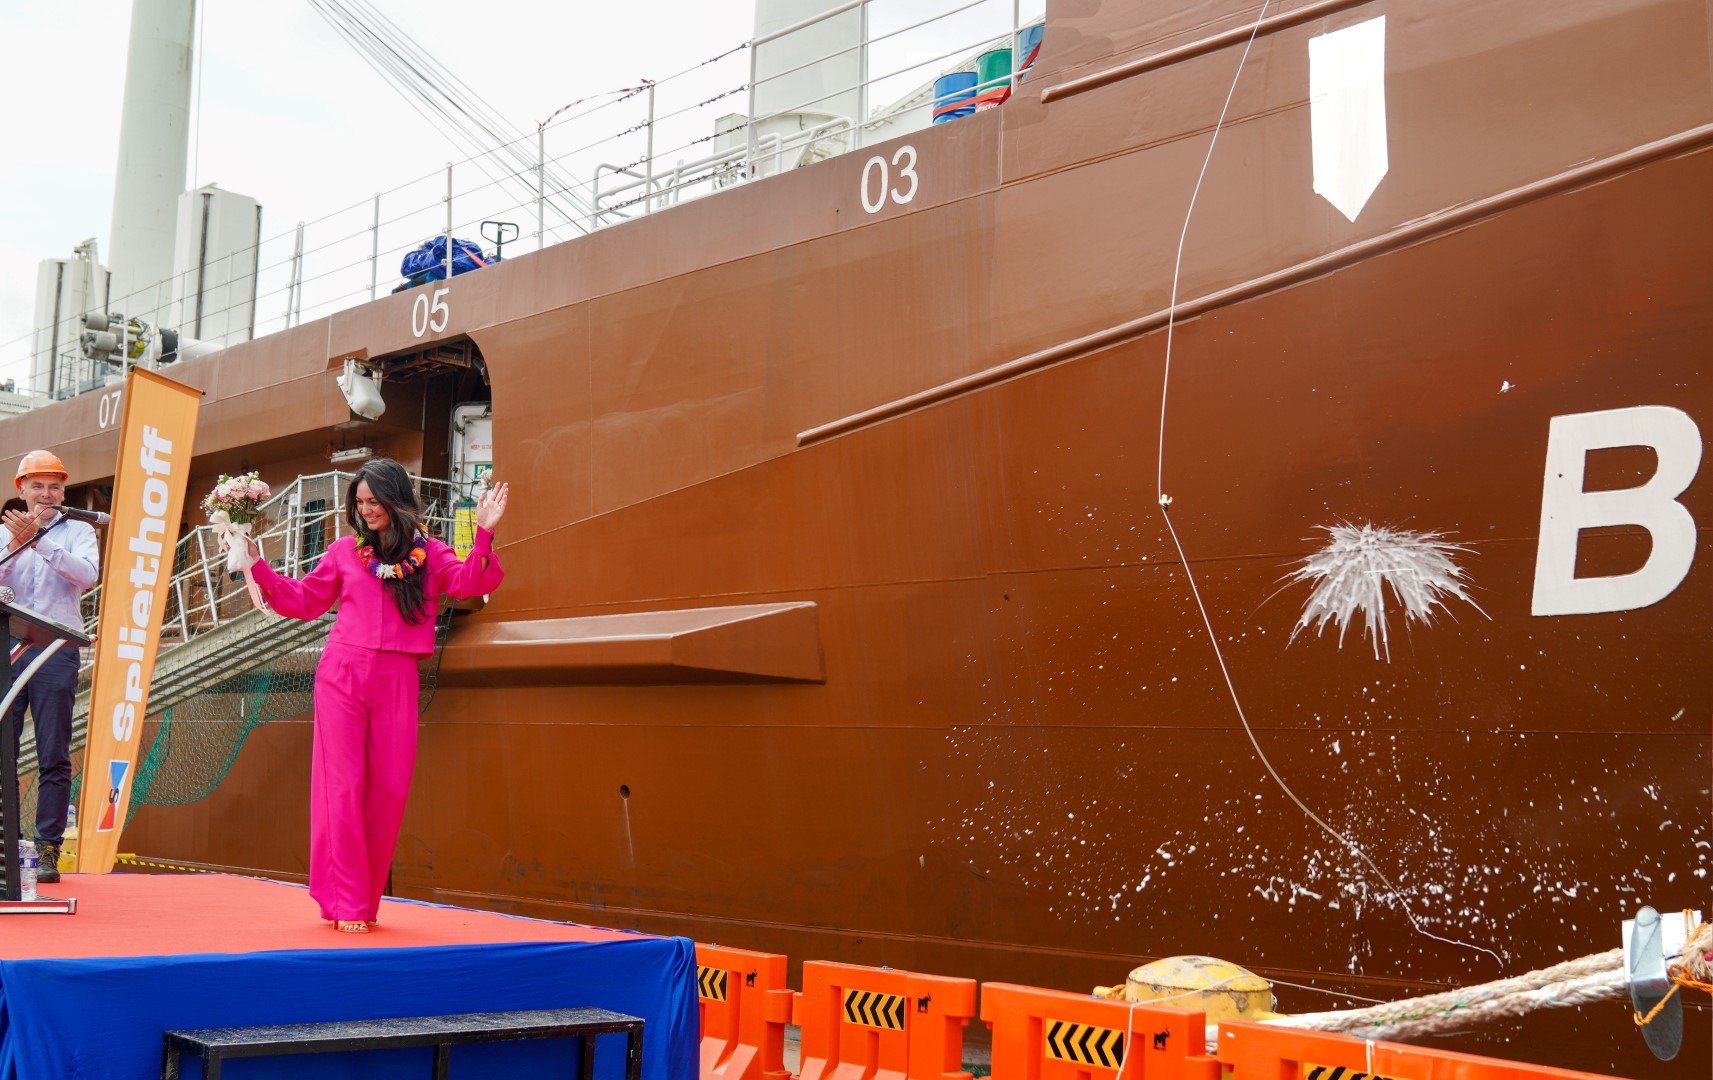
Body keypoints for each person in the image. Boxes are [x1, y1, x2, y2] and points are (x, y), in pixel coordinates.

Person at [241, 458, 507, 931]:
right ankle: (347, 905)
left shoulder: (432, 554)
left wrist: (484, 533)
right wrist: (257, 565)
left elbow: (473, 582)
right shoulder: (345, 552)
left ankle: (363, 901)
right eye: (359, 503)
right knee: (340, 788)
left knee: (387, 791)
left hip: (398, 678)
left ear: (395, 500)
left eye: (374, 501)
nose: (366, 511)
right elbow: (304, 600)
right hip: (342, 675)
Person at [1, 451, 101, 885]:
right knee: (3, 751)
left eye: (55, 486)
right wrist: (17, 542)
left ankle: (47, 852)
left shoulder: (77, 530)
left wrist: (40, 540)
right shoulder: (2, 533)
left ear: (64, 492)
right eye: (38, 486)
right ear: (21, 489)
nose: (47, 494)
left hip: (57, 648)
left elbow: (87, 575)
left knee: (54, 752)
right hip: (9, 646)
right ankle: (7, 846)